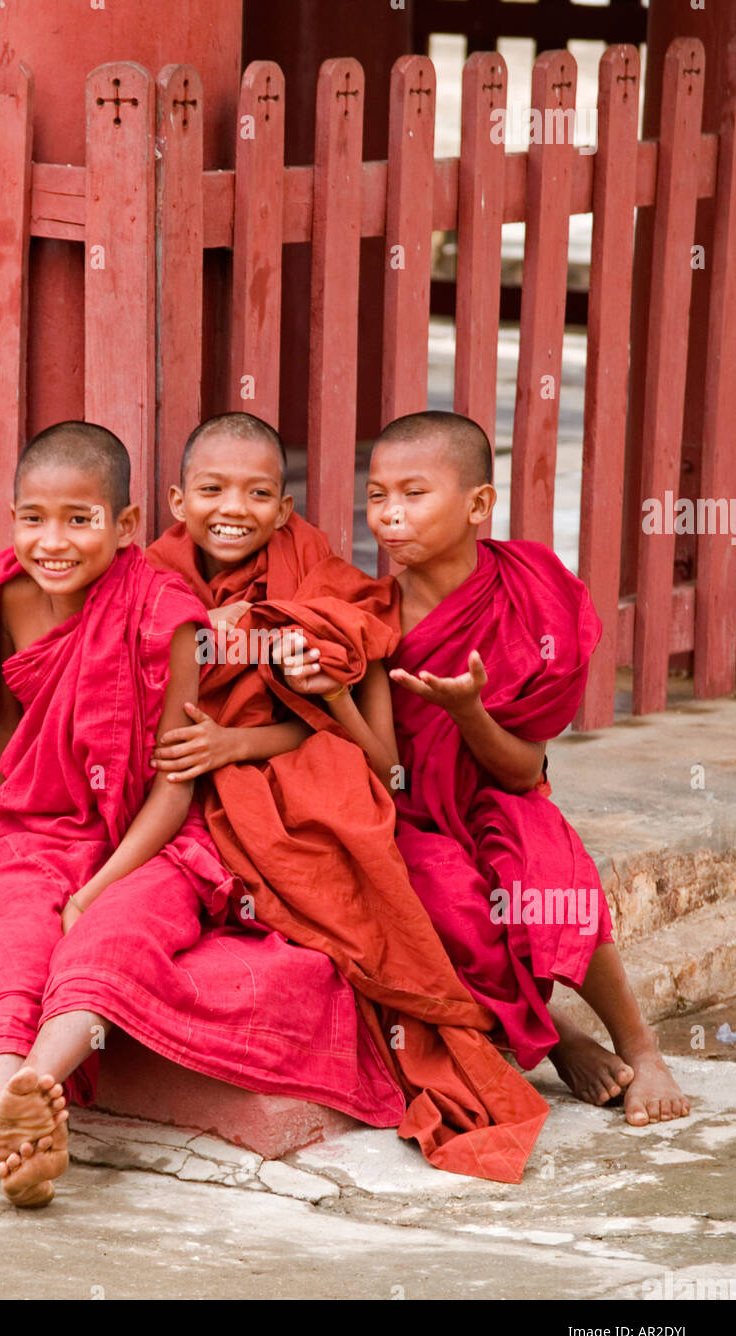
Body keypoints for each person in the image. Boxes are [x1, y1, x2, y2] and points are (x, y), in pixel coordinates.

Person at [0, 420, 414, 1206]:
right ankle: (17, 1110)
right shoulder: (5, 592)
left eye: (79, 520)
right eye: (33, 518)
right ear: (12, 516)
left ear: (127, 527)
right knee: (19, 936)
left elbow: (173, 781)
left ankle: (12, 1103)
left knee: (111, 939)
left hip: (153, 842)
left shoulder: (162, 612)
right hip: (39, 833)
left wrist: (100, 885)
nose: (52, 541)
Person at [147, 412, 550, 1183]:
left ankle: (534, 1028)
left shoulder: (334, 603)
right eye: (212, 489)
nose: (233, 507)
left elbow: (377, 765)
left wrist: (309, 702)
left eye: (258, 492)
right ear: (175, 500)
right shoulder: (151, 584)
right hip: (204, 798)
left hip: (319, 786)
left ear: (286, 509)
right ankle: (490, 1019)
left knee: (419, 878)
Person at [359, 409, 688, 1127]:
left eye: (414, 494)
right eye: (377, 495)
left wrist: (468, 710)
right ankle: (557, 1036)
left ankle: (642, 1046)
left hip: (495, 788)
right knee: (447, 904)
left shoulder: (529, 589)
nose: (389, 517)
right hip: (407, 809)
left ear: (479, 504)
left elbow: (517, 773)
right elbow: (380, 769)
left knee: (551, 869)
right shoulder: (371, 615)